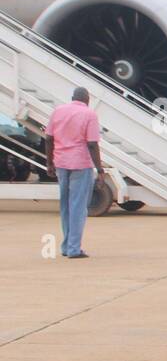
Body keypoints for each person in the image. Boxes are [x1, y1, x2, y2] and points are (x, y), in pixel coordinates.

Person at [44, 86, 105, 258]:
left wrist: (49, 163)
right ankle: (73, 249)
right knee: (78, 206)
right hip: (80, 164)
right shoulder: (90, 114)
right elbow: (92, 144)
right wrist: (99, 169)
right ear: (87, 100)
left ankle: (65, 246)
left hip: (61, 163)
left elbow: (49, 138)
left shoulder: (58, 111)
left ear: (72, 97)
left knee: (65, 205)